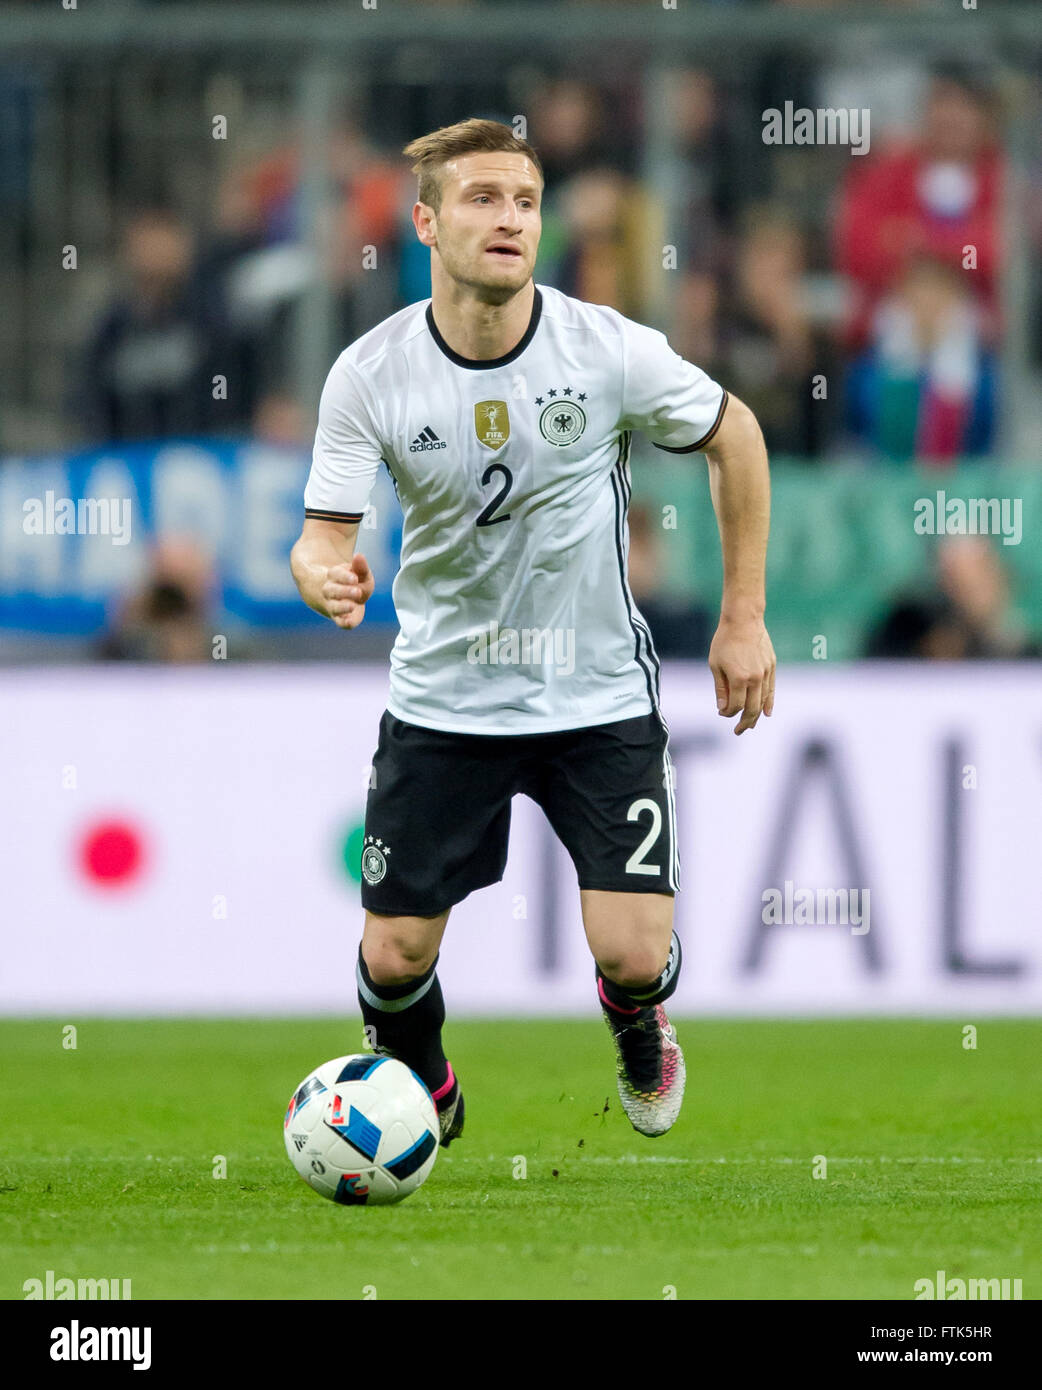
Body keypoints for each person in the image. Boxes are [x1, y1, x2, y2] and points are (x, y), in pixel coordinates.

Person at [289, 119, 775, 1151]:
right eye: (482, 198)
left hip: (594, 695)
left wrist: (743, 616)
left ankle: (638, 1024)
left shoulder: (604, 348)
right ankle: (425, 1079)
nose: (509, 218)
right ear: (426, 222)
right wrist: (322, 574)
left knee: (634, 953)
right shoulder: (369, 373)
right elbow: (320, 537)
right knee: (392, 958)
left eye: (524, 201)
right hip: (444, 698)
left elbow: (735, 433)